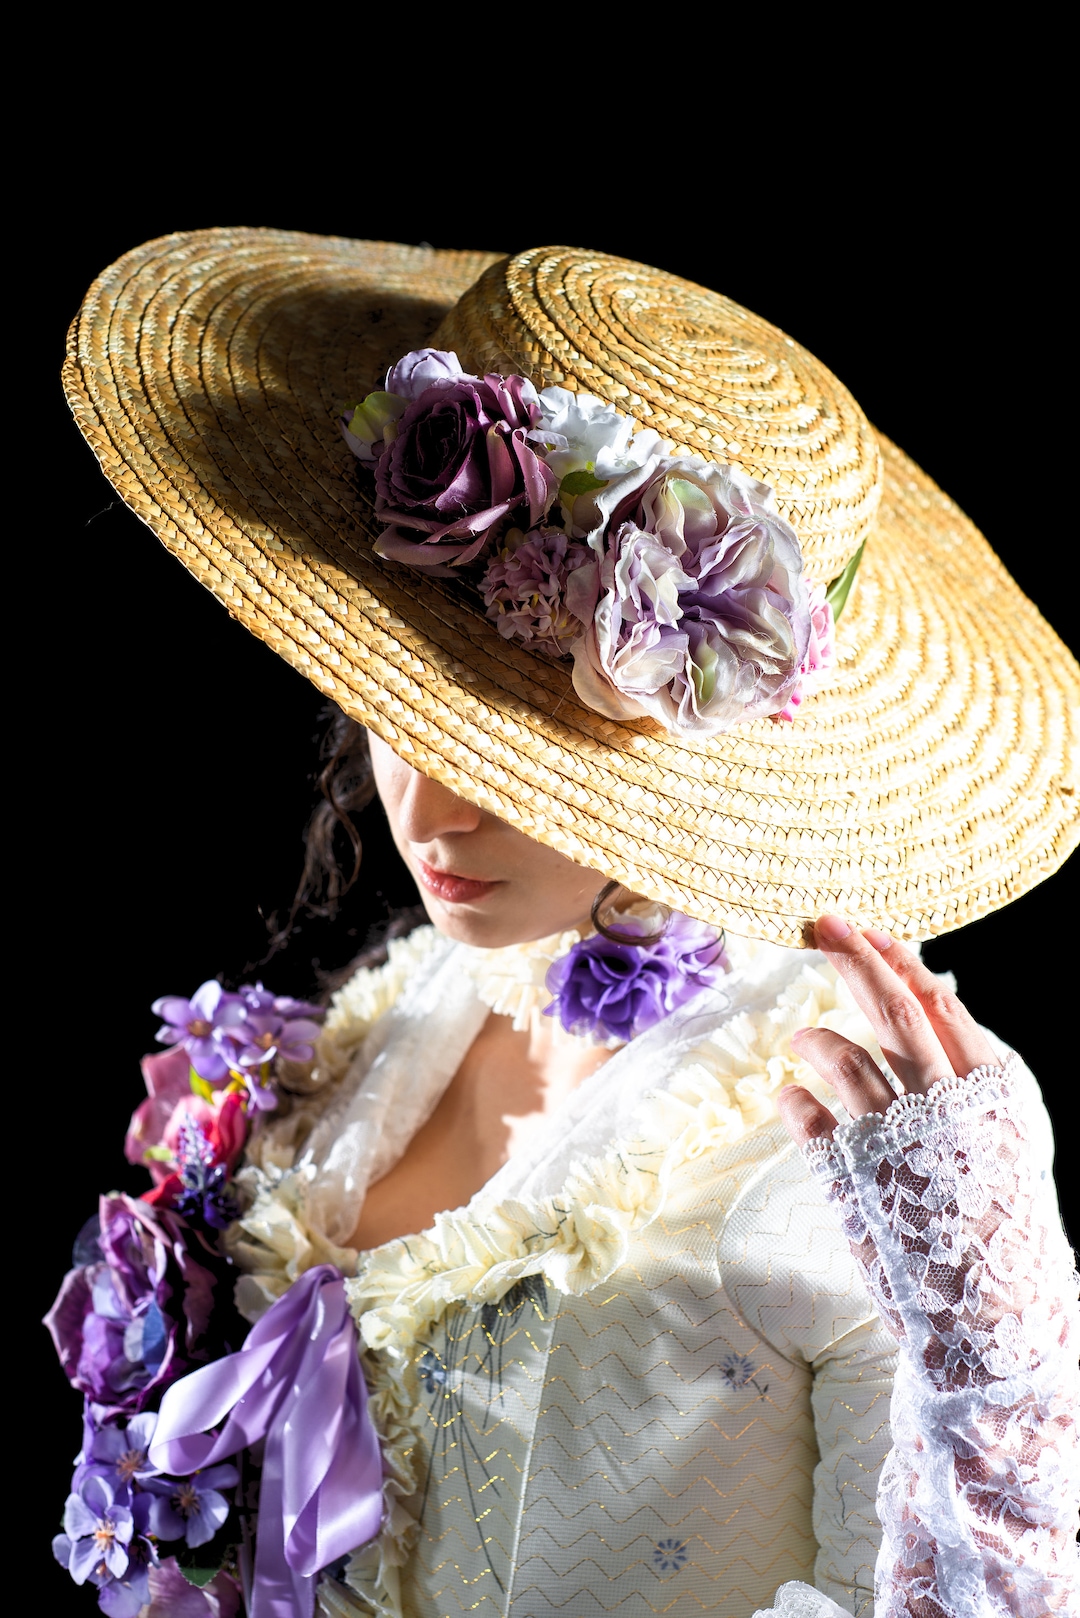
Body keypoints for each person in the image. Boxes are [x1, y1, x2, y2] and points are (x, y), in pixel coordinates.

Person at [57, 231, 1079, 1618]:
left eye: (524, 737)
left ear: (702, 726)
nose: (435, 810)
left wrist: (994, 1368)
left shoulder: (862, 1150)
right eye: (405, 699)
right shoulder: (406, 1007)